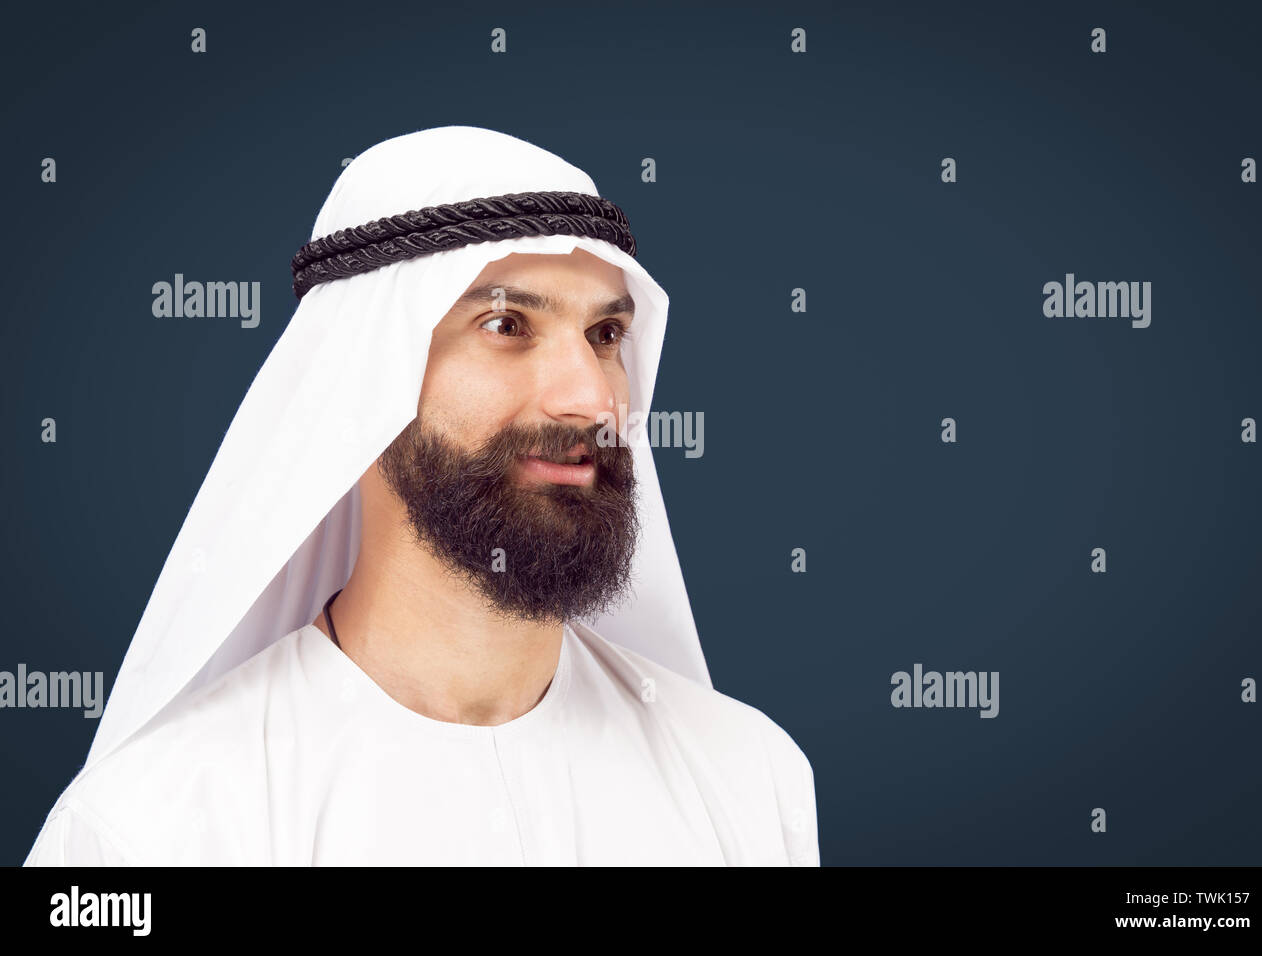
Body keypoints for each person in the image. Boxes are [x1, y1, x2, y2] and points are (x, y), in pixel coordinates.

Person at [23, 126, 819, 865]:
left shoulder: (751, 781)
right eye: (506, 325)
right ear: (366, 382)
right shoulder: (150, 829)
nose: (590, 398)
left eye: (605, 336)